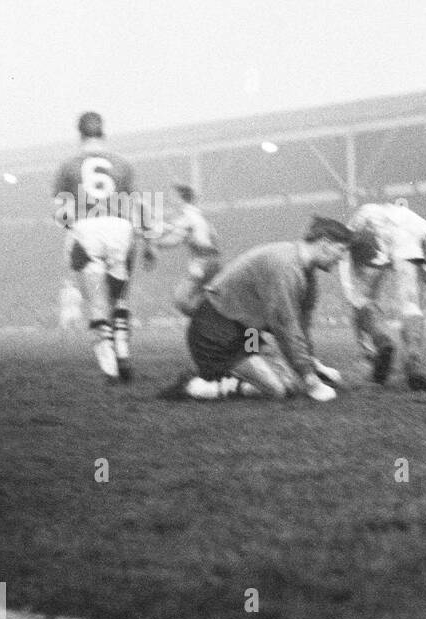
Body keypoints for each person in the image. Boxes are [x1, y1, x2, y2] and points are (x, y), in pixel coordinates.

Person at [159, 216, 351, 402]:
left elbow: (300, 327)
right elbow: (285, 326)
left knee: (290, 386)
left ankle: (228, 375)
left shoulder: (306, 273)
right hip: (216, 332)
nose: (342, 258)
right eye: (341, 250)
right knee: (276, 390)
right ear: (325, 244)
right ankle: (195, 386)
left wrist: (312, 365)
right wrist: (312, 382)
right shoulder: (286, 266)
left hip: (248, 332)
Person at [52, 111, 155, 381]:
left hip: (89, 227)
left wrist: (73, 236)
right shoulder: (123, 162)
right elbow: (139, 203)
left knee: (97, 302)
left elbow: (62, 213)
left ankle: (110, 365)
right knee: (119, 297)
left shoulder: (67, 165)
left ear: (80, 134)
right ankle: (122, 348)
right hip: (121, 229)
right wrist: (148, 241)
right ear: (103, 133)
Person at [339, 198, 426, 390]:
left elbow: (347, 259)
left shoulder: (367, 213)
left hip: (369, 229)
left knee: (364, 299)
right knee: (410, 302)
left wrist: (364, 344)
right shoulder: (415, 223)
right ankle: (412, 359)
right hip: (408, 231)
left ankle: (382, 342)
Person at [153, 184, 222, 314]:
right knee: (205, 297)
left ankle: (209, 319)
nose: (170, 200)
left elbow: (174, 238)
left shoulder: (188, 215)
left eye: (172, 196)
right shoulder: (197, 214)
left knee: (182, 299)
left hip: (203, 262)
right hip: (213, 261)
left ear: (180, 198)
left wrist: (155, 242)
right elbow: (178, 235)